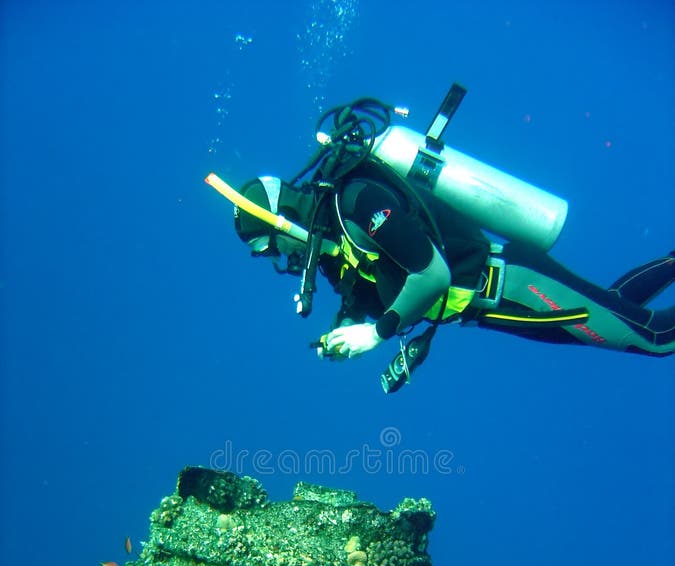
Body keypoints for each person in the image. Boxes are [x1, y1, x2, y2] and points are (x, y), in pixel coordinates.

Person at [219, 93, 674, 391]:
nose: (279, 256)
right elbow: (366, 291)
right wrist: (346, 330)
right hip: (493, 309)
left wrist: (375, 336)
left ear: (281, 221)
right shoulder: (332, 243)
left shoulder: (356, 201)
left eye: (270, 245)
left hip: (516, 286)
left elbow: (431, 274)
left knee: (653, 338)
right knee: (619, 308)